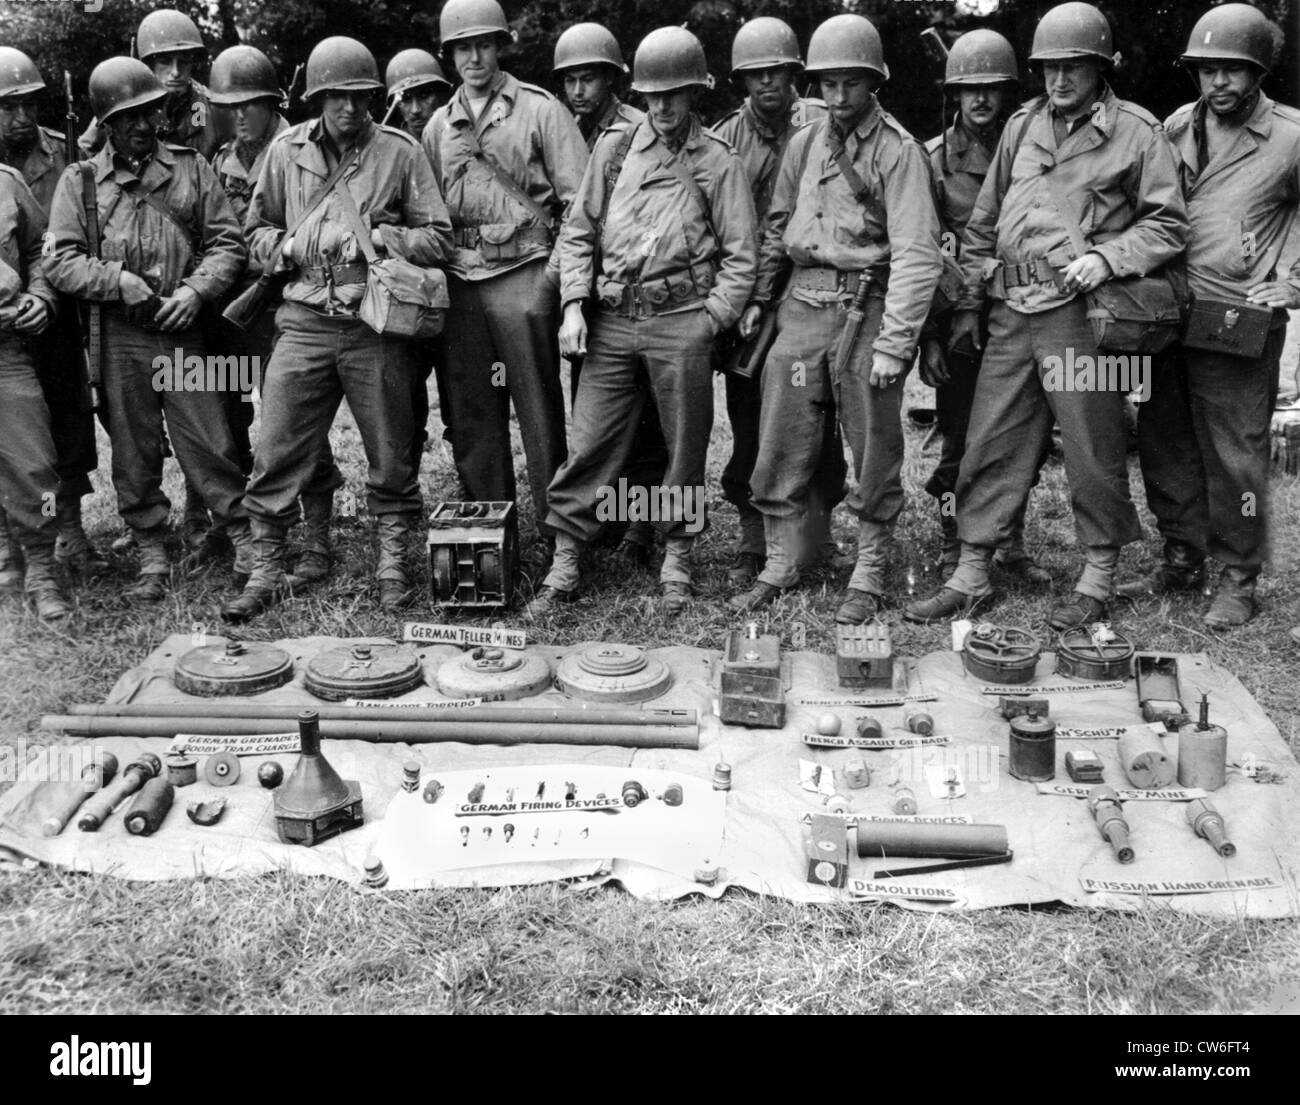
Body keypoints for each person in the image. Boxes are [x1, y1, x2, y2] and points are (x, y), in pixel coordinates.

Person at [904, 2, 1187, 629]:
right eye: (1049, 69)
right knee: (990, 438)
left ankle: (1097, 576)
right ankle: (973, 569)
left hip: (1081, 317)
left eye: (1073, 69)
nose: (1059, 82)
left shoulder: (1138, 132)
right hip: (1010, 310)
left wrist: (1112, 258)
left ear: (1100, 67)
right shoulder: (1022, 126)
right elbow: (984, 220)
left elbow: (1168, 222)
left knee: (1093, 445)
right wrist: (974, 304)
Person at [526, 26, 757, 618]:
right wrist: (574, 304)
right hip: (612, 319)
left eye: (674, 94)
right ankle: (568, 557)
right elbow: (578, 232)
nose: (662, 107)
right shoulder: (616, 149)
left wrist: (710, 321)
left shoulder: (718, 162)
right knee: (590, 442)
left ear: (695, 93)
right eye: (652, 94)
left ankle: (677, 555)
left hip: (682, 318)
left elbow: (741, 258)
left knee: (685, 447)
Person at [223, 36, 453, 621]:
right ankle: (267, 565)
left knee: (391, 452)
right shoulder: (285, 150)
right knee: (275, 447)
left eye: (359, 96)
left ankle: (393, 562)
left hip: (372, 319)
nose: (348, 109)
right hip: (301, 318)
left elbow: (439, 238)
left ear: (374, 97)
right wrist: (285, 245)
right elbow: (254, 232)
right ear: (317, 97)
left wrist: (384, 236)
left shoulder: (399, 152)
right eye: (335, 97)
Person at [730, 13, 943, 623]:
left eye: (851, 83)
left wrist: (894, 344)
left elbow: (918, 254)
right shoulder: (804, 143)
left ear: (873, 82)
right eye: (828, 84)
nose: (839, 96)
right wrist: (758, 300)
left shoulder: (898, 153)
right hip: (801, 304)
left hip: (865, 306)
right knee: (783, 430)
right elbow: (777, 229)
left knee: (872, 437)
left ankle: (871, 565)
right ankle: (784, 555)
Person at [45, 58, 250, 602]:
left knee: (211, 441)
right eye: (127, 116)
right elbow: (60, 262)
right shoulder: (81, 181)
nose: (141, 123)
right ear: (106, 123)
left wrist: (196, 291)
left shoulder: (190, 168)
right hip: (119, 336)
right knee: (133, 453)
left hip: (181, 330)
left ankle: (245, 541)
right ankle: (151, 551)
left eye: (149, 111)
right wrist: (117, 281)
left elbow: (229, 243)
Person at [1120, 3, 1299, 628]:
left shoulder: (1290, 135)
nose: (1218, 84)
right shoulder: (1174, 126)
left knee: (1236, 452)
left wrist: (1293, 282)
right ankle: (1181, 554)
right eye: (1207, 71)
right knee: (1164, 437)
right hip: (1168, 308)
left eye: (1232, 71)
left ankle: (1238, 574)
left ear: (1258, 72)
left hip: (1236, 315)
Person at [422, 0, 586, 554]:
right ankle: (491, 534)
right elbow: (426, 210)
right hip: (462, 282)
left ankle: (557, 535)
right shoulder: (437, 126)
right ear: (450, 55)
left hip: (526, 273)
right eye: (463, 47)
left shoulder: (541, 110)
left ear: (499, 47)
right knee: (470, 412)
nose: (474, 56)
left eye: (483, 44)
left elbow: (581, 206)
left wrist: (553, 282)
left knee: (538, 411)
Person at [711, 16, 846, 592]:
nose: (767, 84)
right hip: (751, 297)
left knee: (820, 421)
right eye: (755, 75)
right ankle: (753, 536)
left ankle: (818, 532)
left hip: (816, 291)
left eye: (778, 72)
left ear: (795, 73)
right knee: (750, 420)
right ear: (742, 81)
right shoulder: (724, 139)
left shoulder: (823, 122)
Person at [208, 44, 344, 587]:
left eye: (251, 104)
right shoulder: (221, 161)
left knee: (298, 424)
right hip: (243, 308)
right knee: (252, 426)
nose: (239, 115)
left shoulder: (301, 148)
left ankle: (317, 538)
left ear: (273, 102)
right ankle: (255, 535)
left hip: (295, 303)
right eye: (229, 106)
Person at [918, 29, 1051, 587]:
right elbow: (921, 251)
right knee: (961, 438)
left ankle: (1009, 539)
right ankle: (955, 540)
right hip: (963, 324)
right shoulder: (931, 161)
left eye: (992, 89)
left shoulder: (1032, 146)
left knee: (1028, 436)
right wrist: (929, 336)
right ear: (954, 95)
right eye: (968, 89)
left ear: (1007, 93)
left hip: (1025, 311)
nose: (980, 100)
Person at [550, 20, 665, 563]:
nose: (578, 90)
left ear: (612, 79)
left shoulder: (641, 130)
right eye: (570, 79)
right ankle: (601, 520)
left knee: (643, 419)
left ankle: (639, 528)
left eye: (589, 78)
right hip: (579, 287)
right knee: (592, 416)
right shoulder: (559, 129)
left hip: (629, 291)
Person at [0, 47, 104, 586]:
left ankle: (69, 529)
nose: (21, 119)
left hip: (54, 316)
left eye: (28, 105)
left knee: (64, 429)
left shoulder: (63, 153)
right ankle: (11, 548)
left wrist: (47, 296)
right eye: (7, 107)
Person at [0, 160, 70, 618]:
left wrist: (41, 297)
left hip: (7, 350)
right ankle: (5, 554)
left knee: (36, 464)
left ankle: (43, 565)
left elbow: (39, 251)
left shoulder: (5, 182)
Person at [78, 9, 221, 162]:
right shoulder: (124, 102)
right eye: (165, 61)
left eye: (184, 61)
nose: (175, 72)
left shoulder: (208, 107)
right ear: (149, 65)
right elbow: (86, 153)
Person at [384, 49, 451, 142]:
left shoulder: (459, 139)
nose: (415, 110)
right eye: (405, 99)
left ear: (441, 96)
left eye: (424, 96)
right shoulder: (394, 150)